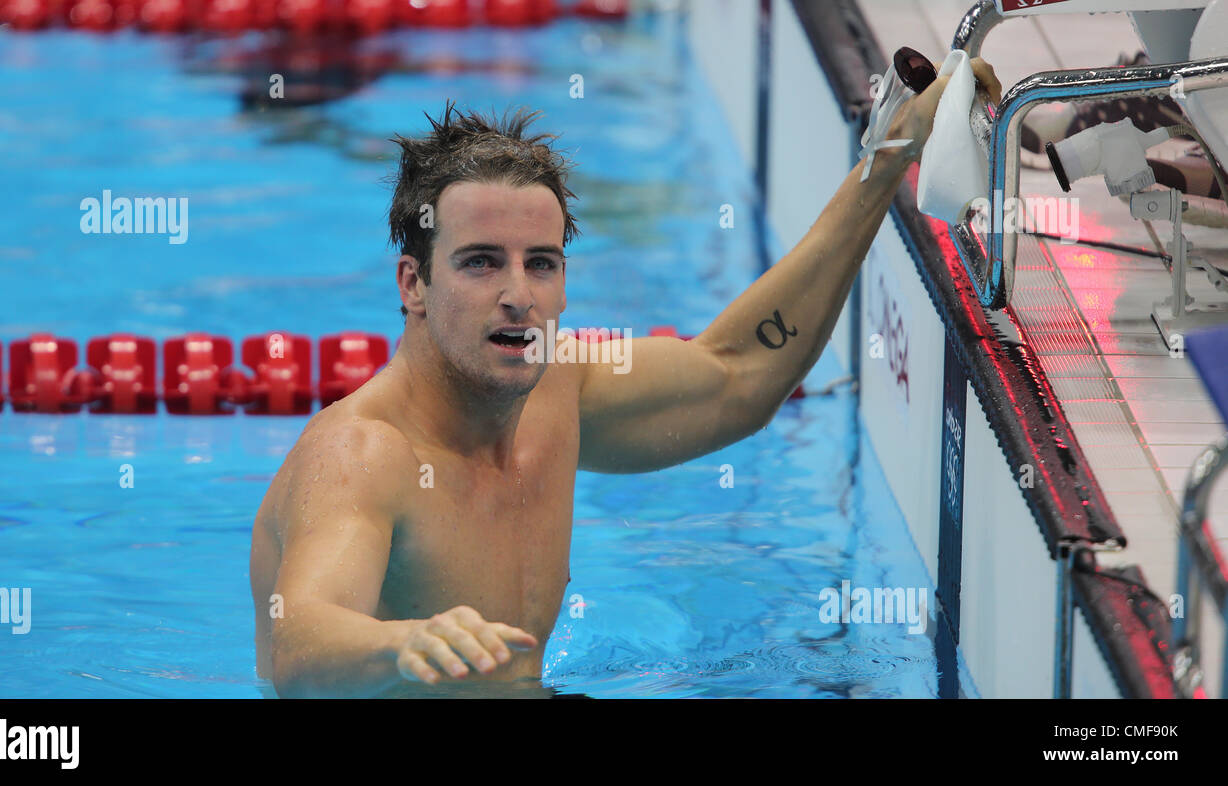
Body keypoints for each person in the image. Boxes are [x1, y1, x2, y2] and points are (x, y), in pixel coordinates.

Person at [250, 59, 1003, 698]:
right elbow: (299, 639)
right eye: (480, 261)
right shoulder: (361, 455)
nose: (519, 292)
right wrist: (404, 642)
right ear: (412, 283)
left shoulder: (557, 390)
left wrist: (890, 157)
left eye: (540, 263)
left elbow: (740, 372)